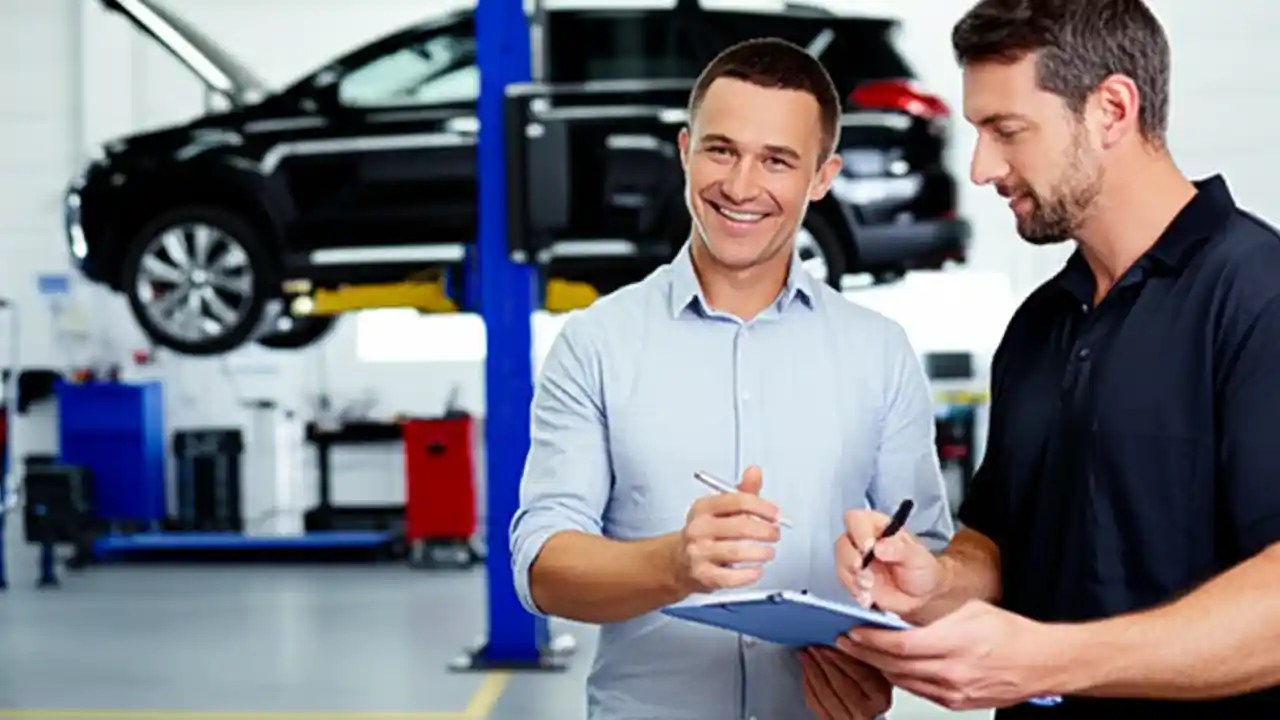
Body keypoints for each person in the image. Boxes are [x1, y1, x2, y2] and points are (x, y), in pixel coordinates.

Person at [825, 0, 1280, 718]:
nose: (982, 168)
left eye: (1007, 131)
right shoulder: (1039, 325)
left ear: (1111, 109)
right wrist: (932, 581)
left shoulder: (1259, 297)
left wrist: (1047, 659)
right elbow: (1000, 544)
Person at [507, 38, 954, 720]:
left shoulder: (879, 353)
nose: (741, 187)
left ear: (822, 177)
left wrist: (880, 652)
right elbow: (542, 565)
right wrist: (672, 565)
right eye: (721, 151)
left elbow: (926, 564)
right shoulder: (596, 344)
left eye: (777, 160)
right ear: (685, 151)